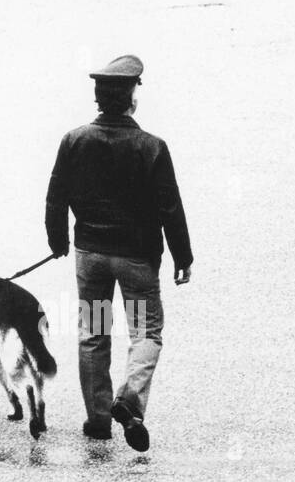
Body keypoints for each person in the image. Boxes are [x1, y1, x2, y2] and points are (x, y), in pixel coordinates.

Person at [45, 54, 193, 452]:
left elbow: (56, 196)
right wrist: (183, 256)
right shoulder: (152, 147)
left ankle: (97, 421)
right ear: (132, 99)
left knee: (93, 332)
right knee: (145, 332)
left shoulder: (74, 140)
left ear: (98, 99)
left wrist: (57, 240)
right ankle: (128, 401)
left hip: (90, 256)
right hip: (137, 262)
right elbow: (170, 207)